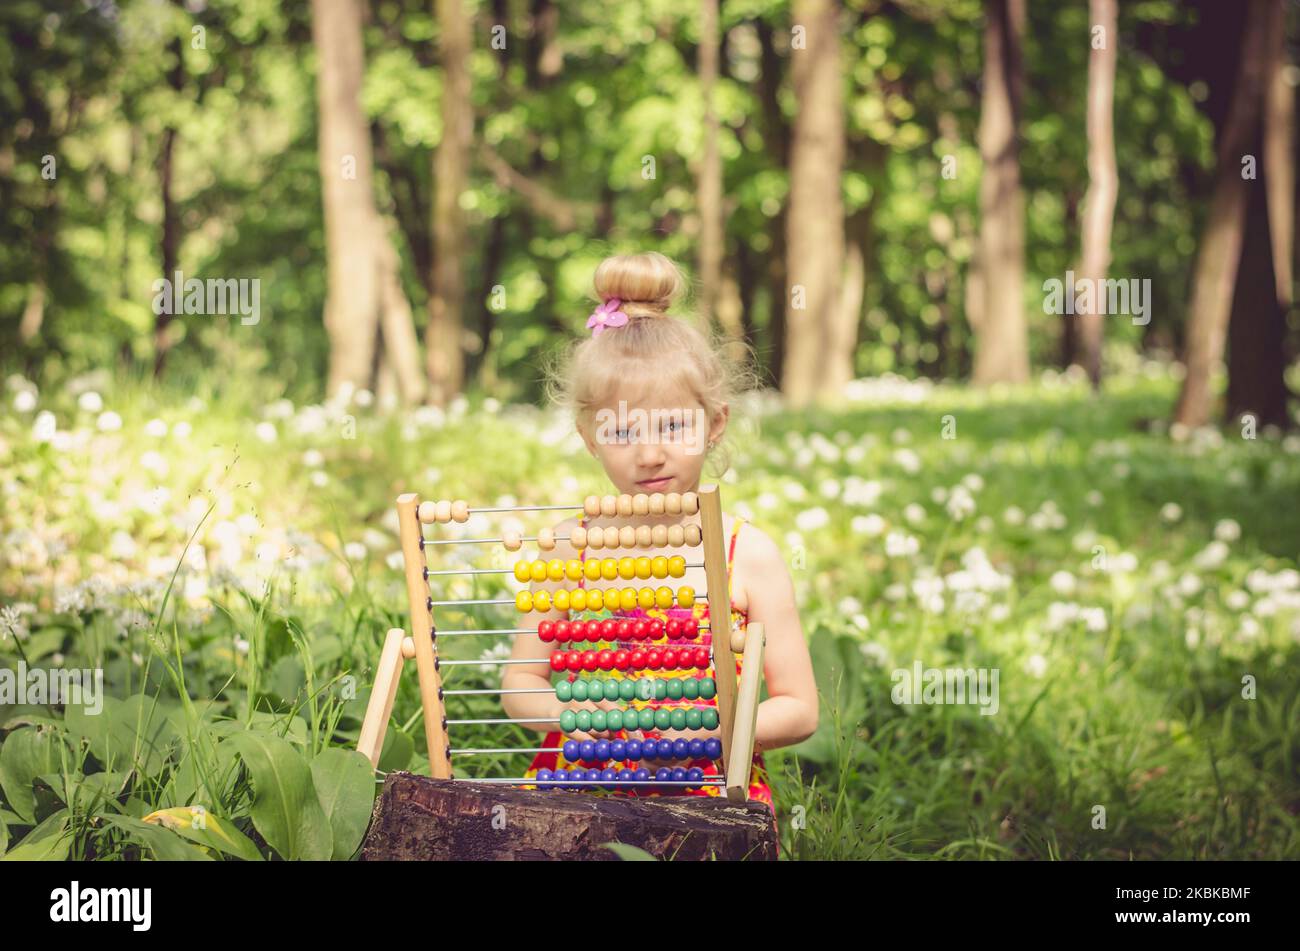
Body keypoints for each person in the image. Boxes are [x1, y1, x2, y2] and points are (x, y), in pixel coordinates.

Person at [503, 251, 818, 828]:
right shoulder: (569, 548)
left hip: (710, 795)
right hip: (583, 787)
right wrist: (581, 713)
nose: (650, 453)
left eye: (673, 425)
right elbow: (520, 685)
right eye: (622, 431)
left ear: (715, 422)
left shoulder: (746, 554)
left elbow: (800, 709)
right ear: (590, 437)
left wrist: (707, 732)